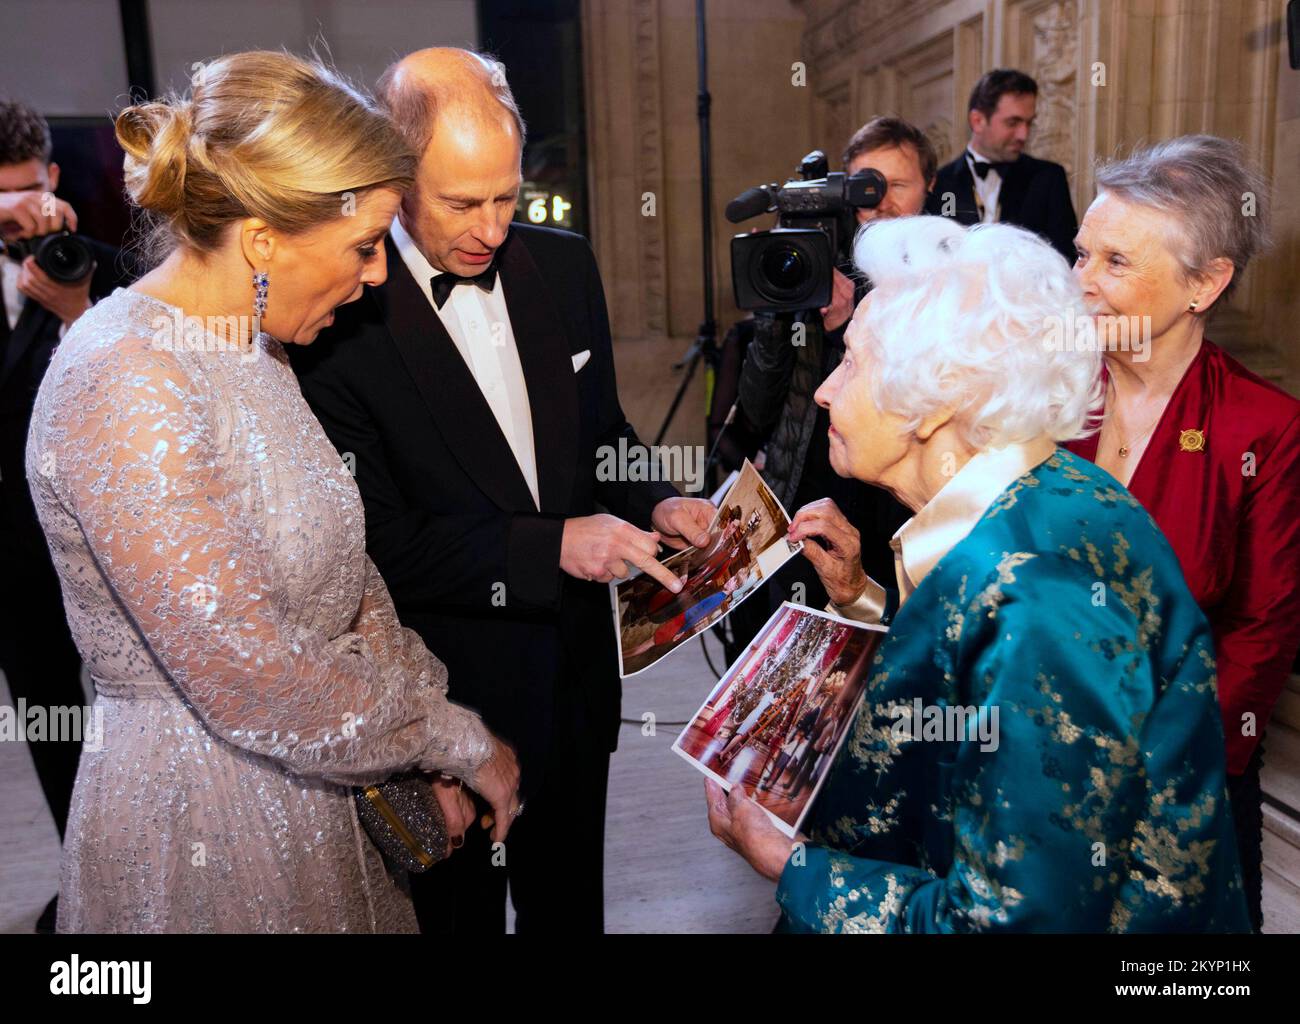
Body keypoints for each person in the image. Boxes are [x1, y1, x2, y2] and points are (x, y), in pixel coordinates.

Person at [24, 50, 520, 934]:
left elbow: (346, 573)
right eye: (364, 247)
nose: (375, 276)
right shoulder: (122, 377)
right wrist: (455, 740)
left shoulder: (254, 347)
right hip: (202, 824)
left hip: (326, 799)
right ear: (262, 240)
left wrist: (418, 750)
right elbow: (253, 677)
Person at [704, 215, 1249, 932]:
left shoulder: (1041, 601)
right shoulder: (1041, 492)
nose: (828, 392)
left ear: (936, 399)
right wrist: (866, 603)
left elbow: (1012, 923)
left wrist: (792, 865)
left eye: (855, 364)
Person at [288, 47, 716, 935]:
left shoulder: (562, 268)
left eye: (508, 197)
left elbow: (604, 443)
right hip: (445, 709)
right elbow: (377, 545)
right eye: (461, 202)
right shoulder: (337, 320)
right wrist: (550, 545)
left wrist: (657, 500)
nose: (491, 226)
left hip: (576, 684)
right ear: (397, 179)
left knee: (571, 918)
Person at [1067, 134, 1300, 932]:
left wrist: (1172, 768)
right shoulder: (1046, 394)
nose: (1081, 284)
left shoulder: (1263, 427)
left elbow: (1262, 632)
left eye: (1115, 263)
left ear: (1205, 284)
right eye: (1081, 253)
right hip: (1039, 762)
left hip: (1186, 775)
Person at [0, 96, 134, 931]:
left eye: (27, 185)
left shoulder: (101, 266)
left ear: (52, 177)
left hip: (117, 547)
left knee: (138, 731)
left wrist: (72, 294)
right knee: (56, 734)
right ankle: (90, 894)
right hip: (12, 565)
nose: (18, 206)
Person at [732, 116, 931, 646]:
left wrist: (847, 323)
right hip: (805, 491)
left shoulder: (945, 278)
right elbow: (755, 410)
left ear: (930, 188)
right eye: (867, 187)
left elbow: (916, 401)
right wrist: (776, 313)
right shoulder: (813, 262)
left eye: (899, 185)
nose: (882, 202)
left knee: (879, 641)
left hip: (890, 503)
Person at [926, 69, 1077, 263]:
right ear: (978, 121)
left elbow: (1065, 259)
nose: (1023, 134)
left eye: (1029, 123)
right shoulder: (939, 183)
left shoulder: (1048, 178)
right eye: (1013, 122)